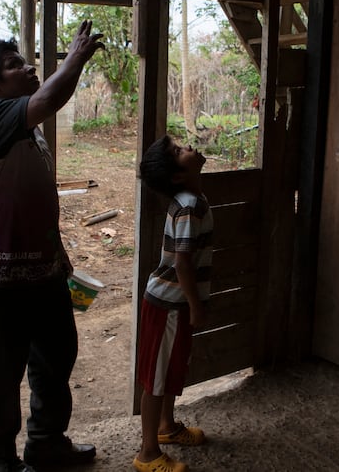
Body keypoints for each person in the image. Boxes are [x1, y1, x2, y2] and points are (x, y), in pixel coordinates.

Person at [0, 20, 104, 472]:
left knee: (56, 359)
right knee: (1, 376)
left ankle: (45, 443)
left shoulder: (29, 130)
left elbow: (32, 196)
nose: (27, 67)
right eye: (13, 64)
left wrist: (60, 256)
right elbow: (48, 99)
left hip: (43, 273)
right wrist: (75, 57)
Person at [133, 135, 213, 472]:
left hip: (174, 305)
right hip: (169, 305)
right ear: (178, 175)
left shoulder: (192, 199)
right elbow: (182, 263)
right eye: (179, 151)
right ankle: (148, 454)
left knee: (170, 370)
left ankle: (166, 427)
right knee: (156, 379)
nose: (189, 147)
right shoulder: (189, 206)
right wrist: (196, 305)